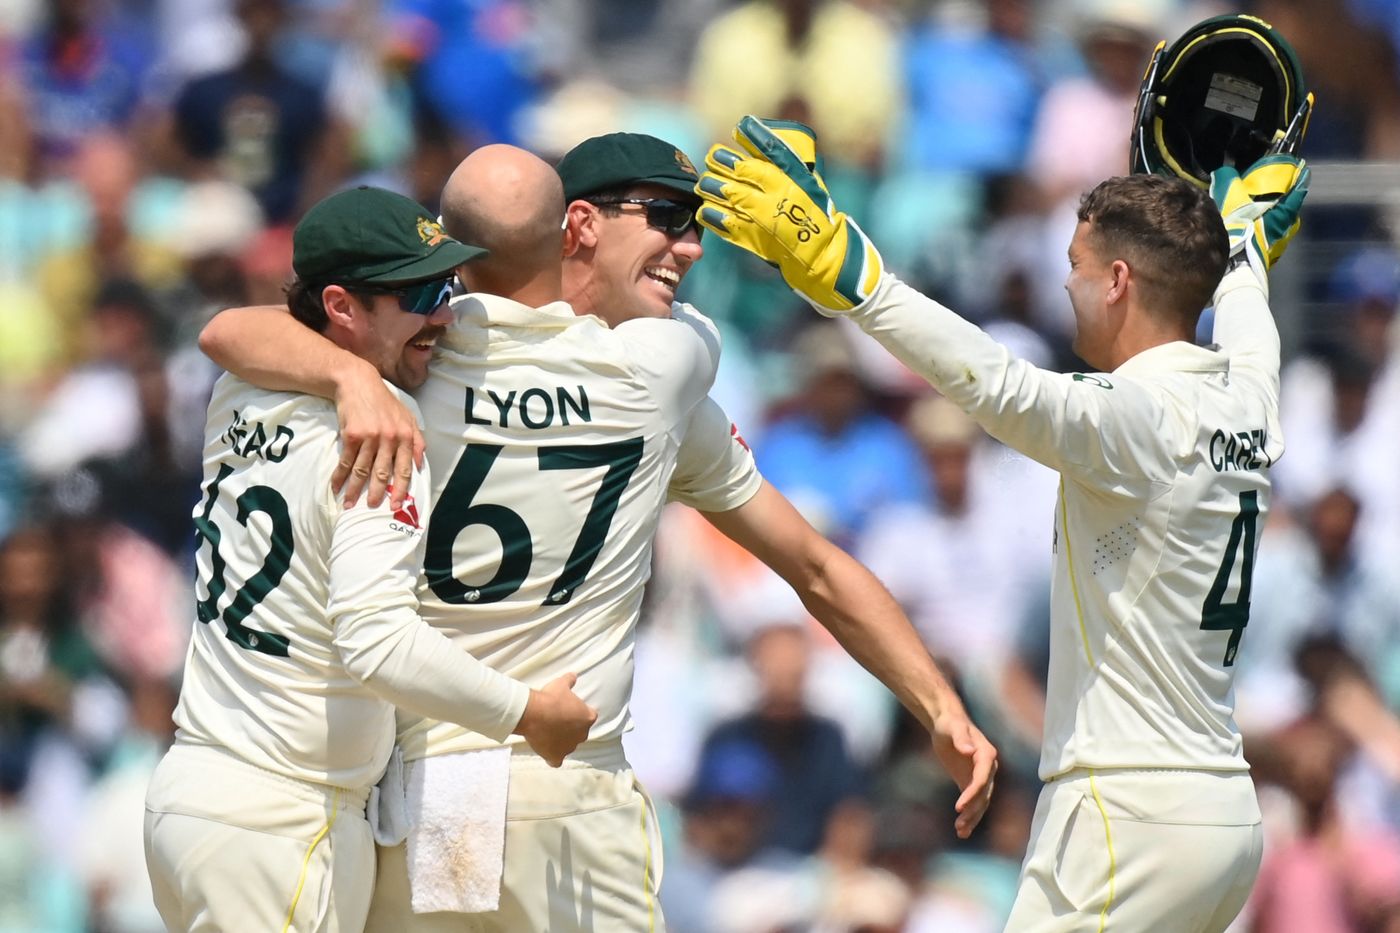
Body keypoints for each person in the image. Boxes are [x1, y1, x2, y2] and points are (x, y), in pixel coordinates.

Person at [199, 138, 996, 931]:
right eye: (666, 216)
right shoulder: (660, 371)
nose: (687, 244)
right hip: (567, 781)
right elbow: (813, 563)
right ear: (574, 225)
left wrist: (345, 376)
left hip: (433, 792)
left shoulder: (411, 354)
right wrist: (938, 706)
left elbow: (235, 330)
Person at [694, 115, 1310, 932]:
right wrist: (1239, 251)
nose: (1065, 286)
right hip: (1225, 814)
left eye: (1075, 266)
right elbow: (1248, 311)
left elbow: (999, 386)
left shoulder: (1135, 415)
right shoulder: (1251, 396)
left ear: (1118, 280)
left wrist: (852, 274)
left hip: (1125, 809)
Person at [143, 185, 595, 933]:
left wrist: (351, 373)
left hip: (192, 797)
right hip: (284, 818)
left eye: (446, 286)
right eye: (419, 292)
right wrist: (528, 712)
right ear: (343, 308)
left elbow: (233, 330)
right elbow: (375, 641)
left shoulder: (240, 387)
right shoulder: (384, 432)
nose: (444, 313)